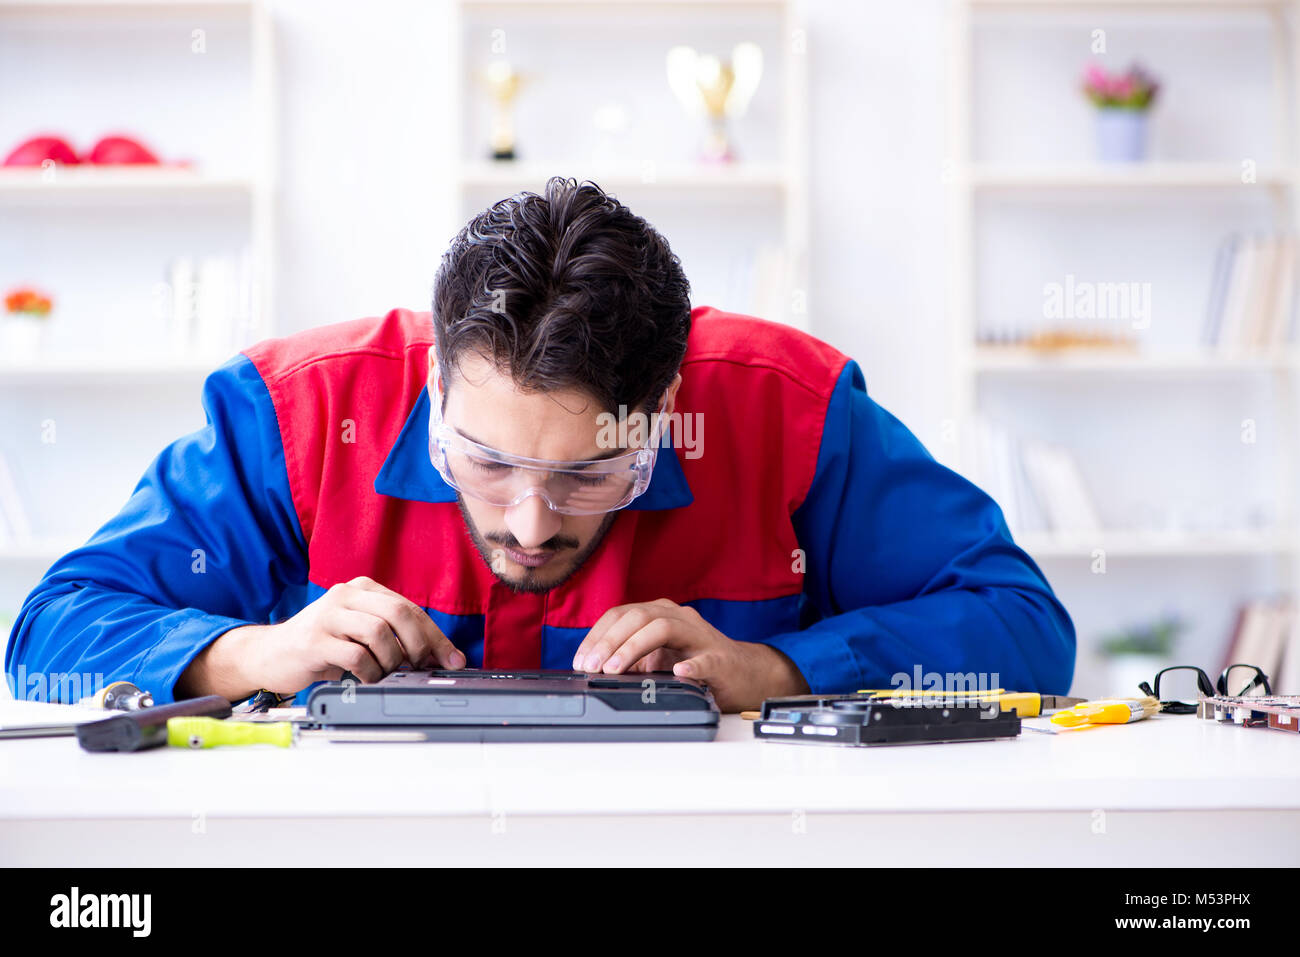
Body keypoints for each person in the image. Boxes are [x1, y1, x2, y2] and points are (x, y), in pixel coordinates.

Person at [5, 177, 1075, 713]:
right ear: (431, 387)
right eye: (483, 458)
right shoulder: (292, 413)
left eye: (586, 472)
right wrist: (247, 654)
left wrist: (781, 667)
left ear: (665, 401)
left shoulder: (784, 408)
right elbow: (48, 635)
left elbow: (1023, 628)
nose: (527, 521)